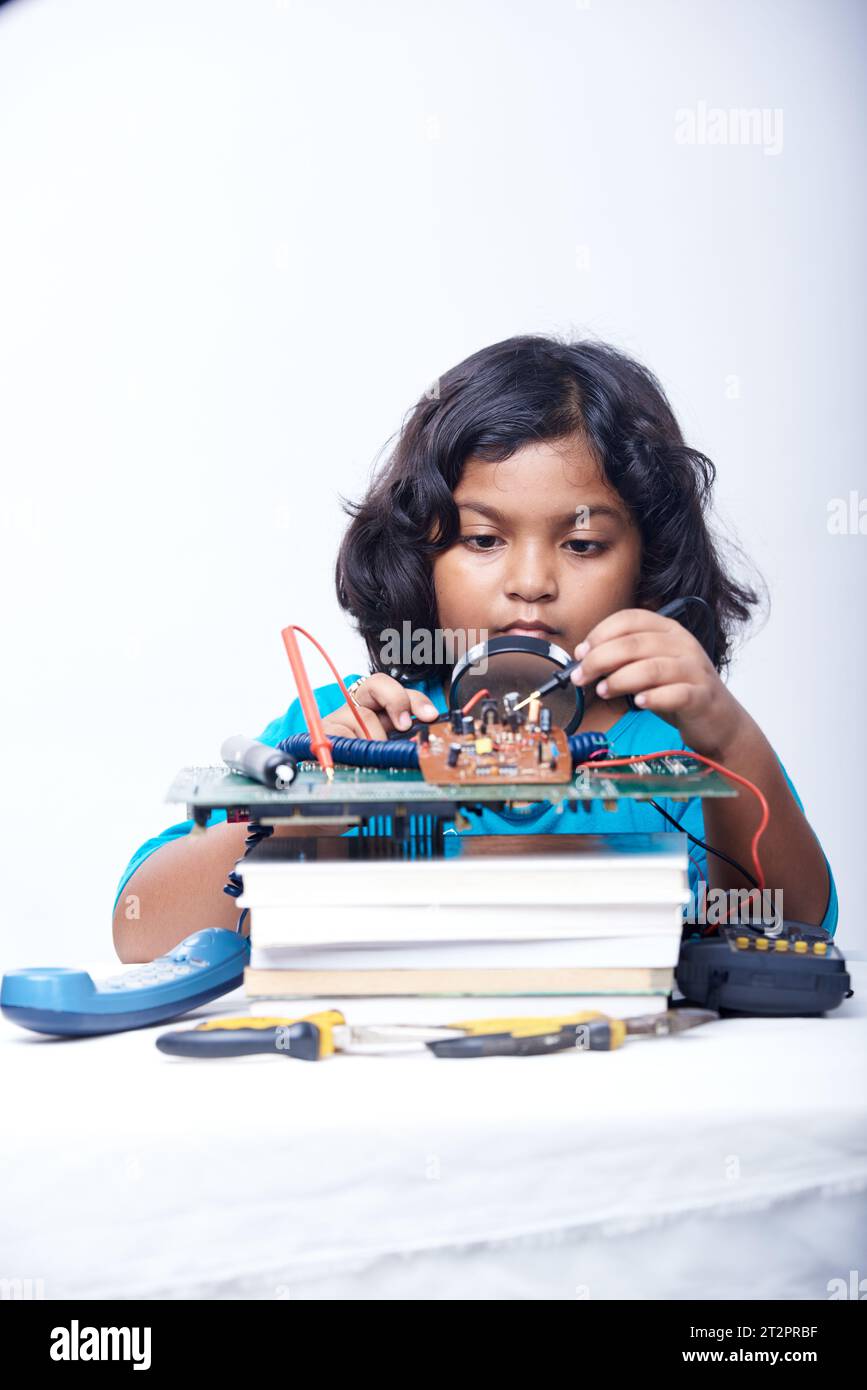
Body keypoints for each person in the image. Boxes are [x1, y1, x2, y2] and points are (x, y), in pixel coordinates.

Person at [112, 336, 837, 961]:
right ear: (419, 554)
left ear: (647, 564)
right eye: (482, 540)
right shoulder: (348, 732)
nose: (530, 583)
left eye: (582, 544)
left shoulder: (677, 746)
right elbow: (140, 929)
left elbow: (794, 927)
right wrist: (314, 806)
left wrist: (730, 734)